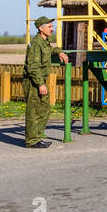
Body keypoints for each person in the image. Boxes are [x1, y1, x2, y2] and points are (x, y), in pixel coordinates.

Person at [23, 15, 69, 148]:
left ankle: (37, 137)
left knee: (44, 109)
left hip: (39, 80)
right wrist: (40, 84)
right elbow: (32, 66)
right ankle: (32, 141)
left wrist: (59, 52)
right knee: (34, 111)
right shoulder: (36, 44)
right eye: (49, 26)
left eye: (51, 26)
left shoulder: (44, 42)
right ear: (40, 28)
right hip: (33, 82)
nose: (52, 29)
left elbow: (51, 50)